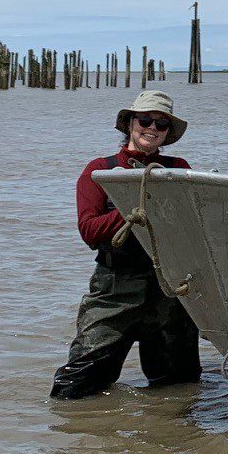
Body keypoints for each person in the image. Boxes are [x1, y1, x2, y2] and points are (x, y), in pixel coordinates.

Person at [49, 89, 203, 400]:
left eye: (161, 125)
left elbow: (195, 227)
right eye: (145, 120)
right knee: (74, 389)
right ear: (129, 123)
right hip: (114, 290)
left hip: (168, 292)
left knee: (179, 389)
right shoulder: (100, 171)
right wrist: (131, 206)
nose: (152, 129)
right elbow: (90, 232)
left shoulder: (178, 167)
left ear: (168, 133)